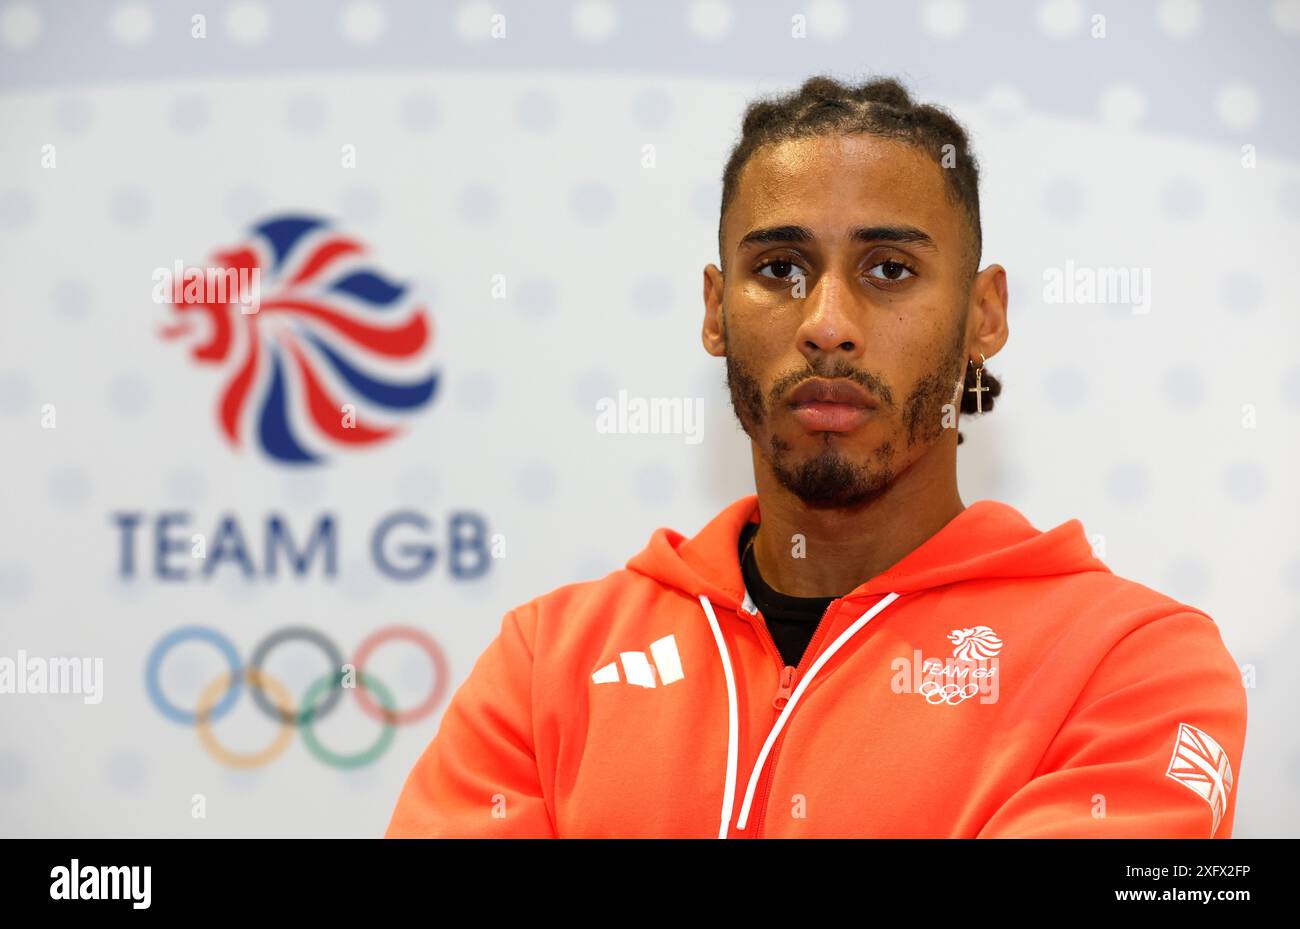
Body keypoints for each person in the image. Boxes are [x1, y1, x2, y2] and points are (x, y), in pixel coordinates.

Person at [385, 75, 1246, 838]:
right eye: (782, 267)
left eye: (890, 269)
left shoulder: (1132, 663)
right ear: (716, 309)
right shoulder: (549, 663)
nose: (826, 320)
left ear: (984, 314)